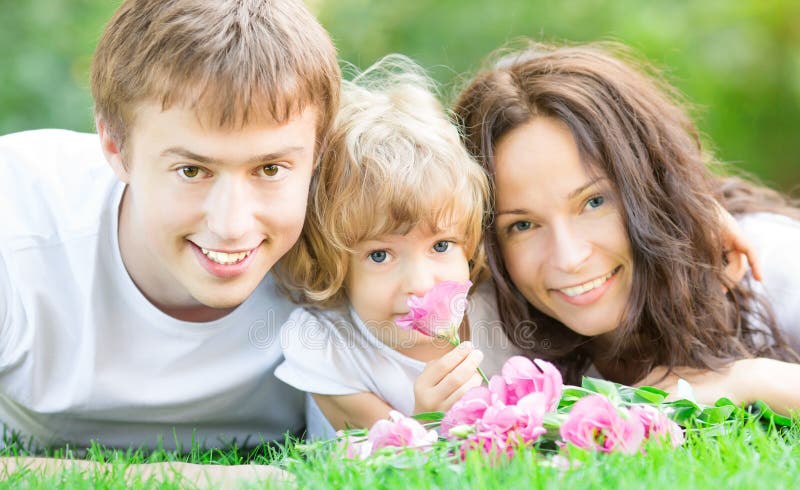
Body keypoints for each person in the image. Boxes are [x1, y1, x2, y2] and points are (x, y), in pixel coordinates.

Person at [0, 0, 340, 455]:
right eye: (192, 171)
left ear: (318, 153)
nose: (232, 225)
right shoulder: (17, 222)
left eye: (271, 169)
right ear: (115, 148)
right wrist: (194, 481)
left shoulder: (357, 242)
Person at [453, 42, 800, 413]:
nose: (569, 258)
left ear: (652, 189)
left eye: (594, 202)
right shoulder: (489, 327)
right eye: (522, 225)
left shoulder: (770, 263)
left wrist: (746, 378)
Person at [274, 57, 519, 436]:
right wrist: (427, 418)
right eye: (379, 255)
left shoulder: (499, 316)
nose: (420, 284)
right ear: (335, 264)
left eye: (441, 246)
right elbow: (387, 458)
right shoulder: (328, 347)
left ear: (469, 244)